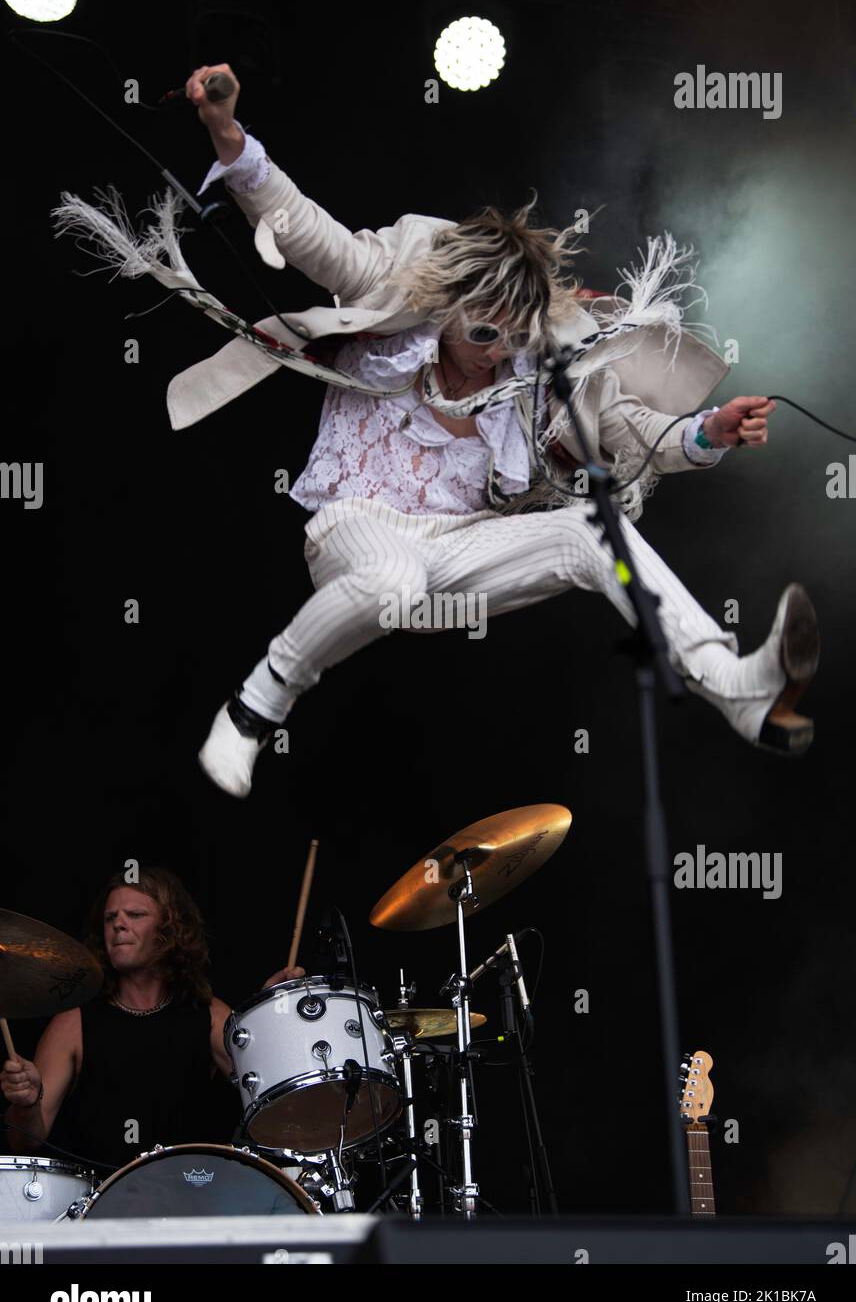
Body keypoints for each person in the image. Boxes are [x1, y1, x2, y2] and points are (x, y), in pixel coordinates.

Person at [177, 66, 815, 797]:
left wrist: (707, 432)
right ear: (446, 308)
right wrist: (228, 133)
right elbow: (309, 233)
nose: (494, 348)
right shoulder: (392, 296)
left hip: (460, 552)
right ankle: (256, 706)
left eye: (512, 336)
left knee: (588, 530)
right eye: (482, 329)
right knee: (393, 577)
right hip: (358, 533)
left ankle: (735, 687)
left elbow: (628, 428)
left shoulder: (533, 373)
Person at [0, 867, 303, 1170]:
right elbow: (25, 1140)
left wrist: (268, 1015)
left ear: (168, 931)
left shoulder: (207, 1014)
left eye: (134, 915)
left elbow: (273, 1095)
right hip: (107, 1203)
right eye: (110, 918)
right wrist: (26, 1102)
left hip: (194, 1195)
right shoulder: (73, 1023)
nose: (119, 924)